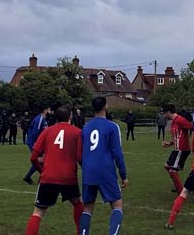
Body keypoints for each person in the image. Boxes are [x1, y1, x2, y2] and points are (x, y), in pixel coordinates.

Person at [25, 107, 84, 235]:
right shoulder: (77, 132)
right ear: (70, 117)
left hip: (49, 176)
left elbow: (34, 157)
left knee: (38, 212)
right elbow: (80, 158)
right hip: (69, 177)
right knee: (78, 204)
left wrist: (42, 171)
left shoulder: (47, 131)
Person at [79, 97, 129, 235]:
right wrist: (123, 175)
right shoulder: (112, 127)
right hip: (105, 170)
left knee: (87, 207)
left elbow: (81, 152)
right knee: (117, 205)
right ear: (106, 106)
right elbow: (117, 153)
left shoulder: (85, 128)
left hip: (88, 170)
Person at [161, 104, 194, 194]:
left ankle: (182, 192)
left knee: (172, 170)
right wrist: (170, 143)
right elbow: (178, 136)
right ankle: (178, 186)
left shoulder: (180, 120)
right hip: (177, 149)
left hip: (182, 149)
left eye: (164, 113)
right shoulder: (174, 121)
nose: (164, 115)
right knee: (167, 166)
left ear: (168, 112)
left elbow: (192, 127)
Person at [24, 106, 51, 185]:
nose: (50, 111)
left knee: (41, 161)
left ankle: (33, 177)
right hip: (35, 143)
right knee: (40, 160)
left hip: (39, 143)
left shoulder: (43, 119)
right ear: (45, 110)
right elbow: (36, 133)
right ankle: (38, 178)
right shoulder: (40, 119)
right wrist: (36, 144)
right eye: (49, 109)